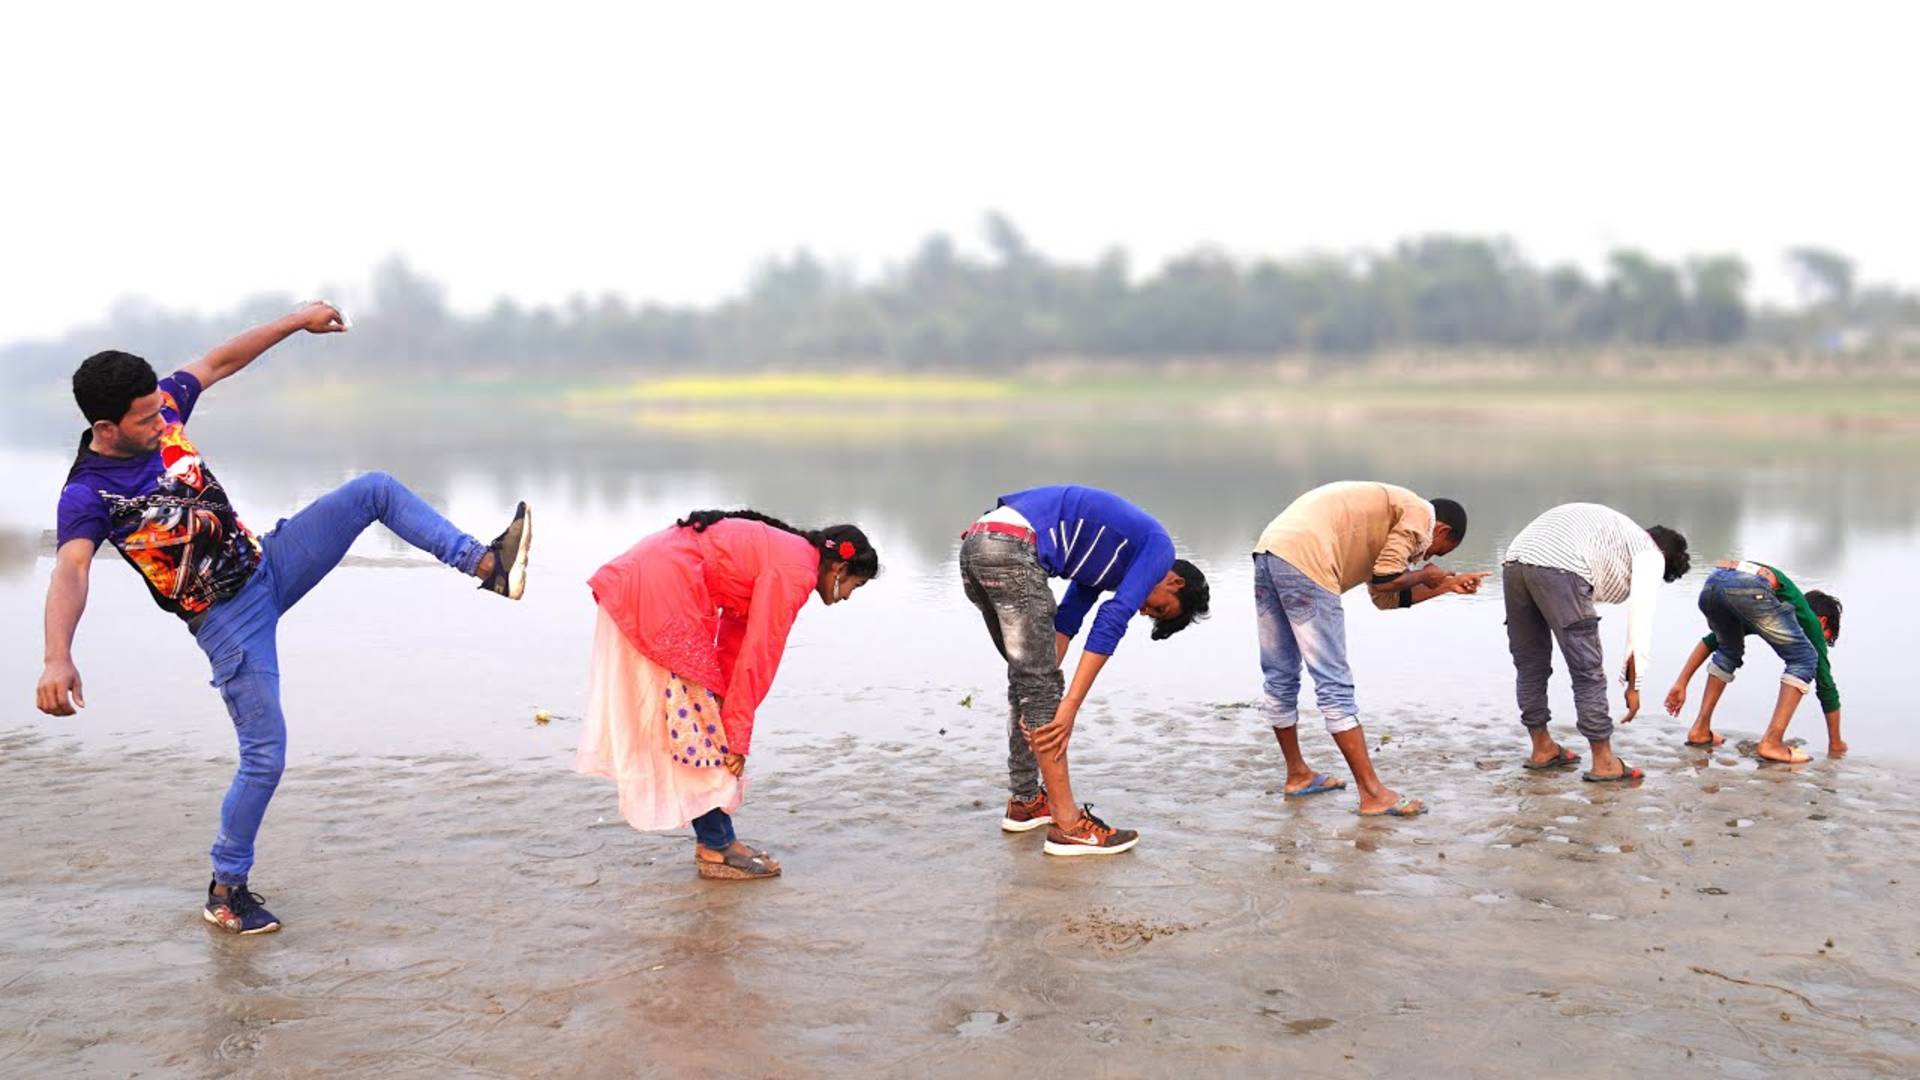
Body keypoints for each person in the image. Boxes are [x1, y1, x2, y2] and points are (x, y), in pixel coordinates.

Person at [36, 302, 532, 935]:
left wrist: (298, 320)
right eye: (145, 417)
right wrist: (57, 656)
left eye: (161, 406)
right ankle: (226, 889)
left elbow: (220, 360)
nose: (161, 418)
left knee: (374, 488)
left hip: (269, 564)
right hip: (225, 622)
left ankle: (487, 564)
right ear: (106, 427)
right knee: (265, 756)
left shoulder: (160, 406)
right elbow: (71, 571)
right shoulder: (88, 493)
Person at [576, 510, 877, 880]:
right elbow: (760, 653)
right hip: (661, 593)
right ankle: (717, 846)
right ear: (839, 570)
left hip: (650, 583)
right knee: (701, 733)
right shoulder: (796, 571)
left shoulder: (793, 555)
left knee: (701, 725)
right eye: (854, 587)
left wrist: (724, 702)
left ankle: (715, 840)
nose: (846, 597)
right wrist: (736, 736)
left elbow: (738, 633)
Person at [960, 484, 1209, 857]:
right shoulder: (1159, 549)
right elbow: (1111, 620)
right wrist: (1067, 706)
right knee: (1042, 690)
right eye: (1159, 609)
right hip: (1011, 548)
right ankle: (1068, 825)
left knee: (1029, 680)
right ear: (1175, 581)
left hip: (979, 545)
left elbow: (1069, 619)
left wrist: (1043, 683)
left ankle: (1026, 801)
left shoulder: (1108, 561)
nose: (1145, 612)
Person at [1251, 481, 1481, 817]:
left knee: (1280, 675)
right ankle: (1373, 793)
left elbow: (1385, 596)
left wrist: (1443, 585)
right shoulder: (1420, 514)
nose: (1428, 556)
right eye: (1438, 550)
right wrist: (1426, 574)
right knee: (1334, 683)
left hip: (1270, 552)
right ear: (1441, 529)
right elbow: (1391, 577)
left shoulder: (1387, 521)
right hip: (1309, 559)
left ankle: (1298, 775)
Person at [1501, 503, 1690, 783]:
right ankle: (1604, 762)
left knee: (1530, 666)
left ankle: (1542, 748)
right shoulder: (1650, 553)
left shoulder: (1616, 531)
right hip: (1563, 569)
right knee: (1587, 672)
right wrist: (1633, 687)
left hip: (1515, 562)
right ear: (1665, 557)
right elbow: (1640, 622)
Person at [1663, 559, 1843, 763]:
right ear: (1823, 621)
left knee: (1729, 649)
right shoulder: (1809, 620)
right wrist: (1836, 744)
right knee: (1806, 657)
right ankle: (1772, 742)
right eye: (1825, 637)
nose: (1819, 641)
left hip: (1711, 584)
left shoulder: (1770, 609)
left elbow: (1710, 641)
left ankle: (1700, 729)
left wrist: (1681, 683)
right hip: (1747, 587)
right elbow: (1826, 686)